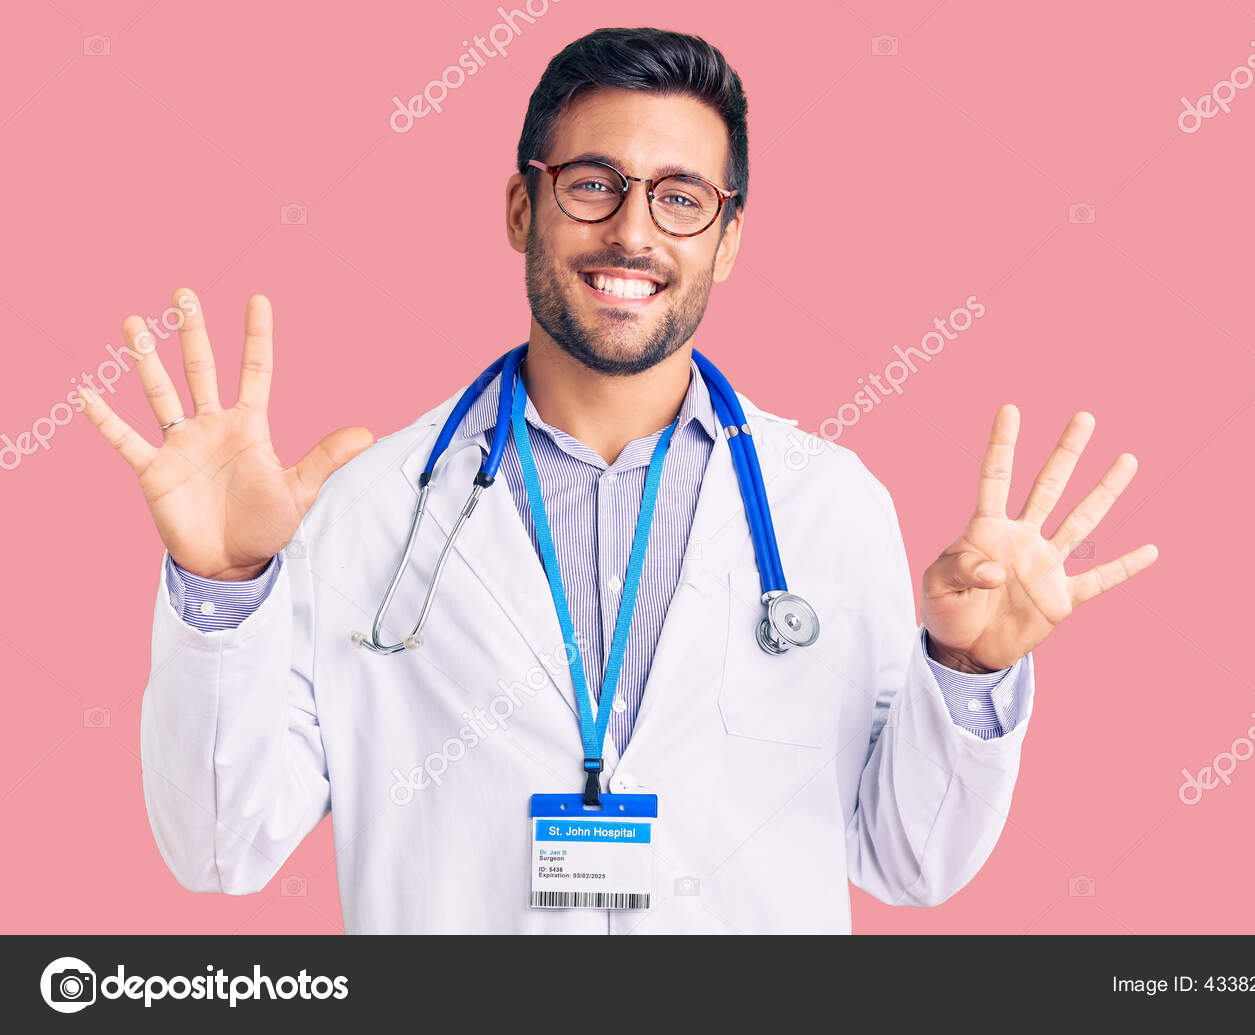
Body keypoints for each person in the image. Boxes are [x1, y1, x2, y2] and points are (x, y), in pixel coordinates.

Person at [83, 27, 1158, 934]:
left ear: (727, 238)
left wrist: (967, 671)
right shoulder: (365, 509)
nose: (633, 232)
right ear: (522, 209)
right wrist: (221, 587)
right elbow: (220, 848)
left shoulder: (827, 509)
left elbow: (910, 861)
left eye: (682, 197)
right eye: (593, 185)